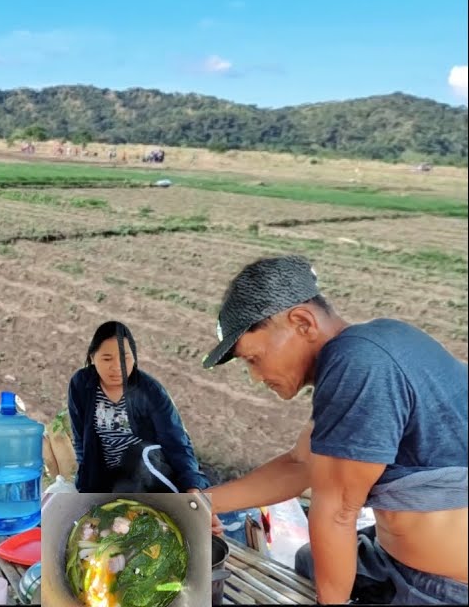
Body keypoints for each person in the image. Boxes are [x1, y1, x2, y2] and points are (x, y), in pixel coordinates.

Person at [199, 255, 468, 605]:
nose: (256, 376)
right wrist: (200, 504)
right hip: (393, 559)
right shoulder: (369, 347)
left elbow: (339, 511)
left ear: (302, 322)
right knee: (309, 559)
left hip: (443, 586)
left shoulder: (359, 361)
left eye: (253, 358)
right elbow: (301, 464)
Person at [67, 320, 210, 494]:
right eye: (107, 358)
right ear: (92, 357)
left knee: (135, 454)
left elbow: (176, 442)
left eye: (124, 358)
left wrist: (192, 486)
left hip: (148, 470)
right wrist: (85, 480)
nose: (117, 367)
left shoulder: (150, 391)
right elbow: (81, 439)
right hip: (107, 474)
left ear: (134, 358)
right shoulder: (81, 384)